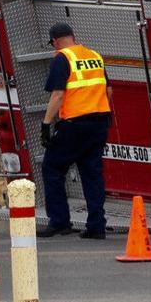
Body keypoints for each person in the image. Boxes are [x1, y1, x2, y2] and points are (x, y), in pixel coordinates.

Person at [40, 23, 113, 239]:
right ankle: (96, 226)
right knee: (92, 174)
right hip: (99, 124)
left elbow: (58, 95)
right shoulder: (94, 56)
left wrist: (46, 124)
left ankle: (60, 222)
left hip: (74, 125)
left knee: (52, 168)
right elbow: (108, 90)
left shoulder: (62, 58)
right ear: (73, 36)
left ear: (55, 41)